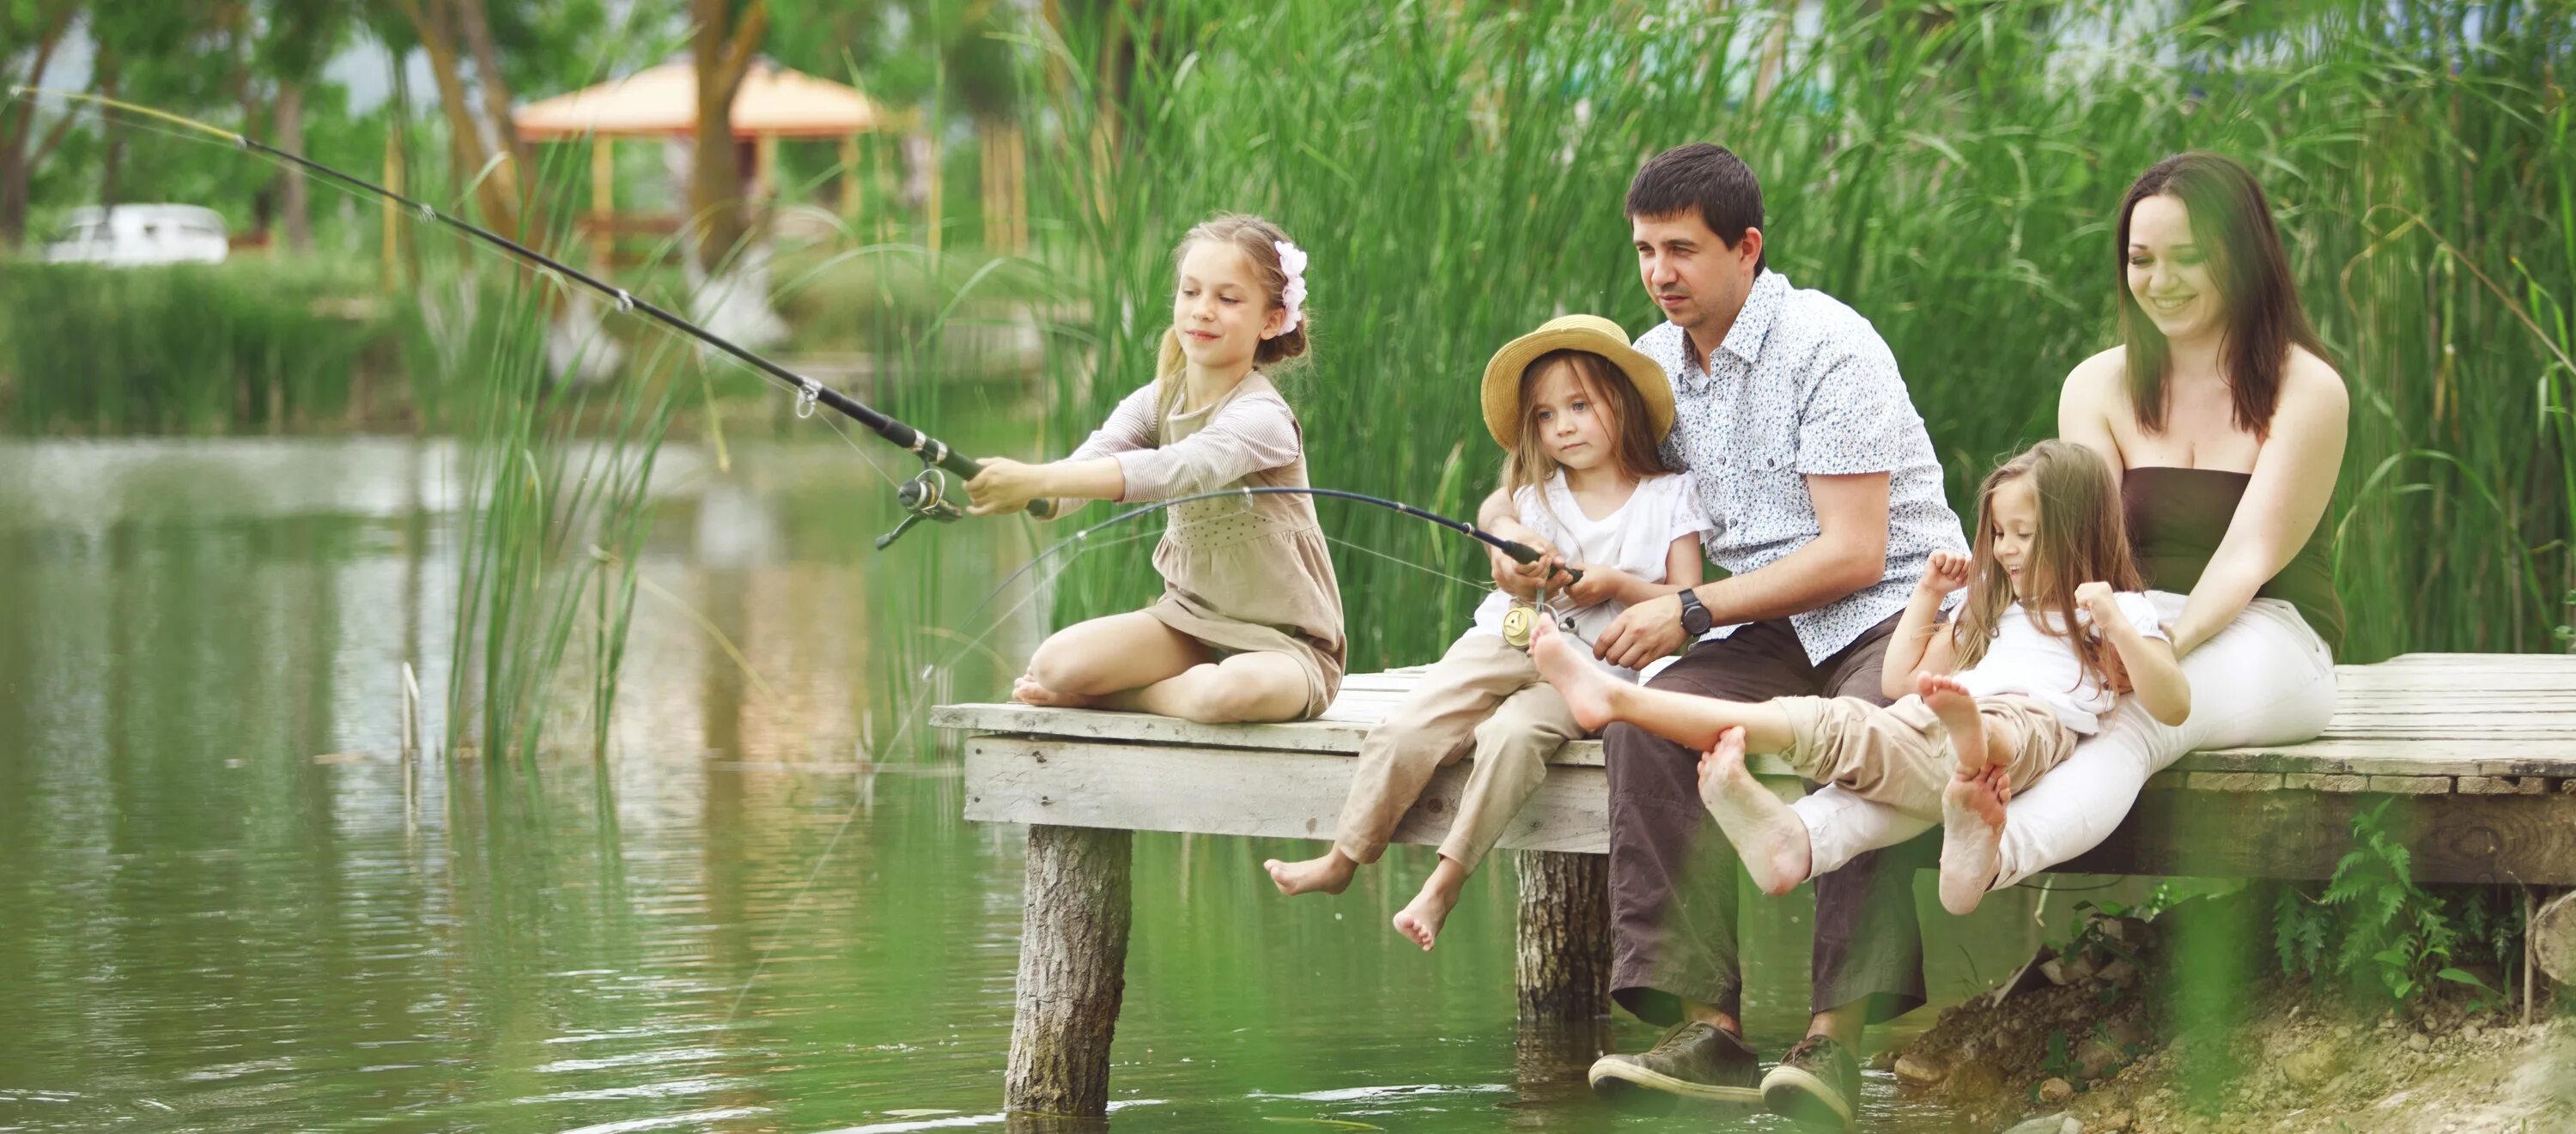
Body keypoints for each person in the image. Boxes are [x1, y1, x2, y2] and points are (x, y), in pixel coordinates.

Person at [1475, 143, 1969, 1125]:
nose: (1660, 275)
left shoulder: (1830, 346)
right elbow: (1570, 474)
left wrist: (1692, 607)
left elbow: (1857, 554)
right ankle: (1710, 1029)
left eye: (1684, 250)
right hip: (1771, 620)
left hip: (1896, 610)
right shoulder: (1653, 365)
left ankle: (1830, 1043)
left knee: (1865, 734)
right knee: (1649, 722)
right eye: (1647, 251)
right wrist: (1516, 539)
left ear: (1747, 248)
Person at [1785, 150, 2349, 915]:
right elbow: (2081, 550)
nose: (2161, 279)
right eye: (2142, 260)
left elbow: (2248, 556)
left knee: (2130, 714)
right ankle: (1804, 836)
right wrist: (2066, 644)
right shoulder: (2098, 384)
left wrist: (2151, 651)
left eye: (2189, 257)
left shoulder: (2305, 386)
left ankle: (1996, 854)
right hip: (2122, 621)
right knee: (1990, 705)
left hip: (2269, 634)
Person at [1529, 441, 2190, 934]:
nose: (2007, 550)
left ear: (2079, 532)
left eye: (2026, 535)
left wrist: (2113, 622)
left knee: (1970, 728)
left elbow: (2171, 701)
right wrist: (1929, 595)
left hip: (2029, 724)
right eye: (1998, 534)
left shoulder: (2117, 612)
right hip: (1937, 721)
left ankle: (1619, 700)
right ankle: (1798, 838)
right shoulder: (1986, 609)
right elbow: (1902, 678)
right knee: (1859, 721)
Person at [1266, 315, 1711, 951]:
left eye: (1580, 405)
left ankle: (1444, 884)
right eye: (1545, 415)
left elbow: (1685, 600)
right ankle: (1344, 856)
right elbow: (1501, 534)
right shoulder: (1532, 499)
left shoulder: (1668, 495)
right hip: (1507, 639)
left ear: (1622, 401)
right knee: (1408, 725)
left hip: (1589, 669)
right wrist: (1526, 562)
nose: (1562, 426)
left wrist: (1613, 583)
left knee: (1512, 735)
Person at [966, 214, 1346, 724]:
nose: (1202, 311)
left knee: (1224, 696)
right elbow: (1094, 460)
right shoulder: (1156, 401)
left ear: (1272, 321)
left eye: (1228, 299)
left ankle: (1123, 700)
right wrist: (1032, 491)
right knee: (1054, 665)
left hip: (1288, 648)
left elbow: (1175, 469)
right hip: (1190, 623)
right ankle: (1169, 687)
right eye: (1190, 293)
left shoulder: (1264, 417)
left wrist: (1038, 477)